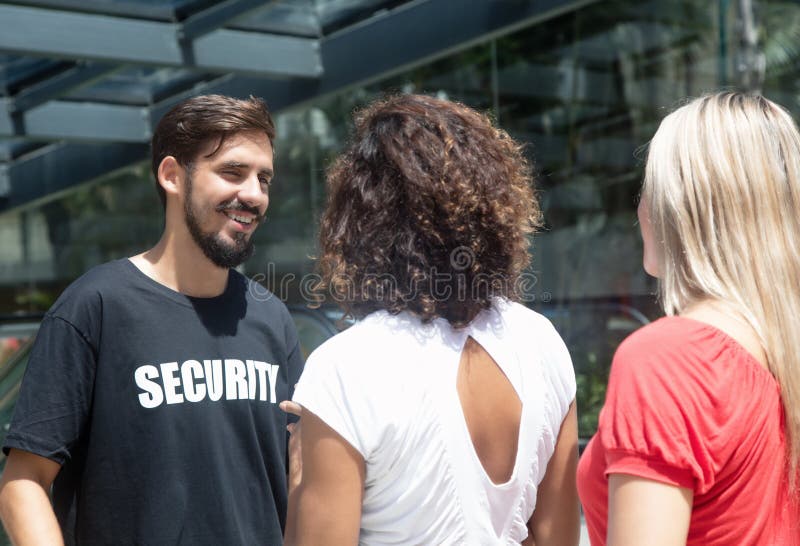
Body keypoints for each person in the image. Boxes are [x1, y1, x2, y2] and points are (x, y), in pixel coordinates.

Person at [0, 94, 304, 545]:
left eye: (264, 179)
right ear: (172, 176)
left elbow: (300, 473)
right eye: (233, 172)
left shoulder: (271, 317)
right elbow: (23, 482)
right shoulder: (96, 306)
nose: (254, 195)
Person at [282, 94, 580, 545]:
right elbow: (559, 537)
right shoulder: (540, 341)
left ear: (360, 217)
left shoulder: (347, 367)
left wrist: (300, 475)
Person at [576, 91, 800, 545]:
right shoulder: (781, 350)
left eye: (649, 188)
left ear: (679, 208)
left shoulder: (669, 359)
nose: (639, 208)